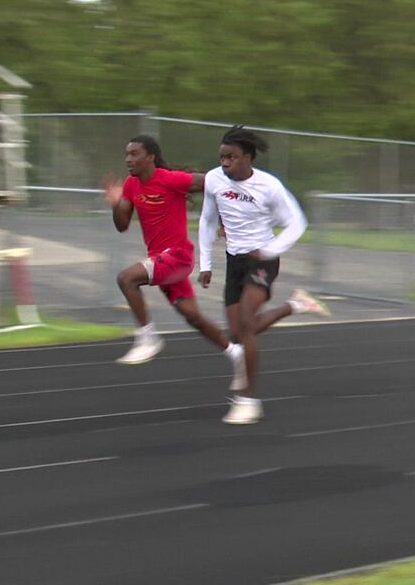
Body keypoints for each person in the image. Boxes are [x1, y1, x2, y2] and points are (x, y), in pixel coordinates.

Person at [198, 126, 330, 425]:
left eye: (231, 157)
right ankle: (295, 305)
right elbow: (207, 220)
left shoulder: (269, 187)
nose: (225, 163)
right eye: (221, 157)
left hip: (262, 261)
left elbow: (297, 222)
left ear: (248, 158)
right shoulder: (214, 180)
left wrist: (271, 250)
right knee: (237, 333)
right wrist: (205, 263)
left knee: (246, 323)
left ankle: (247, 401)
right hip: (234, 262)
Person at [102, 135, 245, 380]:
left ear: (151, 157)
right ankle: (236, 353)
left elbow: (212, 182)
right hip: (161, 260)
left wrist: (225, 218)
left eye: (134, 154)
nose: (128, 159)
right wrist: (116, 203)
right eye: (127, 154)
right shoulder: (131, 184)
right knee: (191, 315)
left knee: (126, 278)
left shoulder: (171, 180)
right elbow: (122, 225)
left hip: (178, 257)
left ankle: (148, 338)